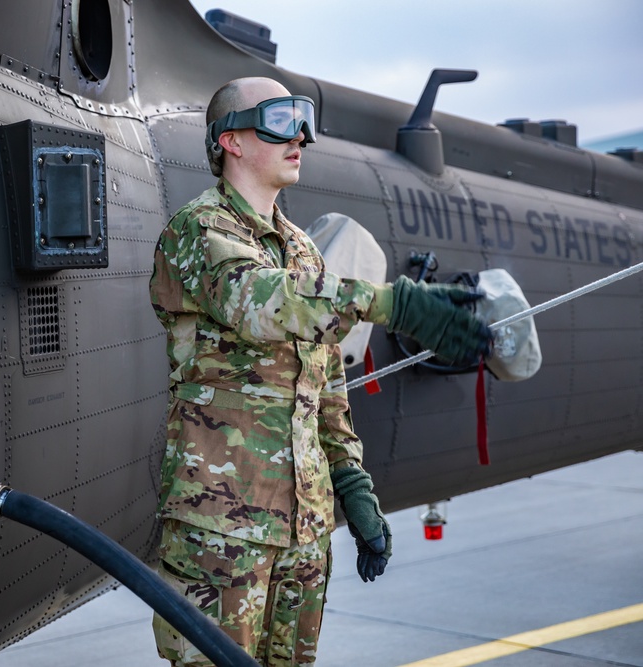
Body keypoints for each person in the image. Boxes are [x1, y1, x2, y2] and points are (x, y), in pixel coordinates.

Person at [148, 77, 491, 666]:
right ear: (230, 140)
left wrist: (354, 491)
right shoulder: (198, 232)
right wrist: (395, 304)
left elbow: (327, 390)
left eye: (304, 119)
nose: (301, 136)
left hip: (304, 533)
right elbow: (263, 302)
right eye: (281, 120)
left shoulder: (303, 249)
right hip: (223, 535)